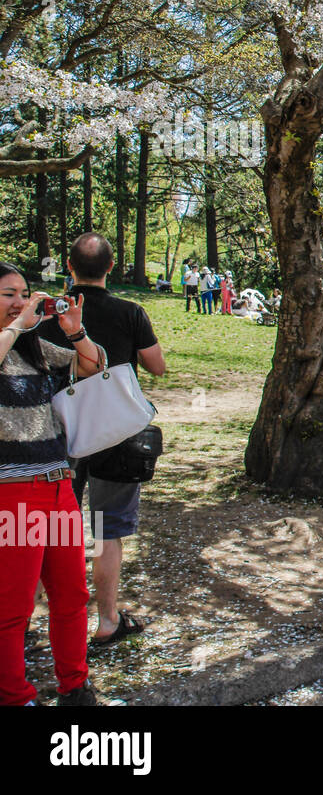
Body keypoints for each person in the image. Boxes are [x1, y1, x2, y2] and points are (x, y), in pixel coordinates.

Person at [37, 233, 166, 651]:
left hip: (59, 437)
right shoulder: (131, 312)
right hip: (114, 436)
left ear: (68, 268)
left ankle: (28, 618)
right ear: (111, 268)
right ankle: (107, 620)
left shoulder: (47, 312)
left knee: (53, 528)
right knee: (104, 528)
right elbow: (158, 367)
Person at [1, 261, 106, 706]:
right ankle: (15, 695)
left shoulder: (35, 347)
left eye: (24, 293)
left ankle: (75, 687)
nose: (20, 302)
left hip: (58, 485)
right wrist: (17, 326)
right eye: (8, 294)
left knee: (72, 594)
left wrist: (76, 331)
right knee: (14, 606)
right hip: (14, 493)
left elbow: (95, 366)